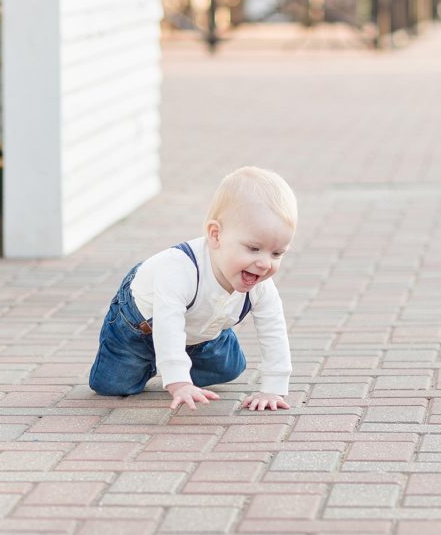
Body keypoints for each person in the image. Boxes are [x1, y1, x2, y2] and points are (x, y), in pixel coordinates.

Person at [89, 166, 296, 412]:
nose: (264, 263)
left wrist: (273, 388)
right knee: (115, 385)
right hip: (141, 324)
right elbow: (167, 321)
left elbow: (274, 330)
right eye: (253, 248)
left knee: (230, 367)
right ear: (216, 235)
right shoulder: (179, 269)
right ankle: (162, 360)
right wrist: (179, 382)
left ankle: (171, 357)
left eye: (277, 253)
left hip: (196, 330)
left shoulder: (260, 285)